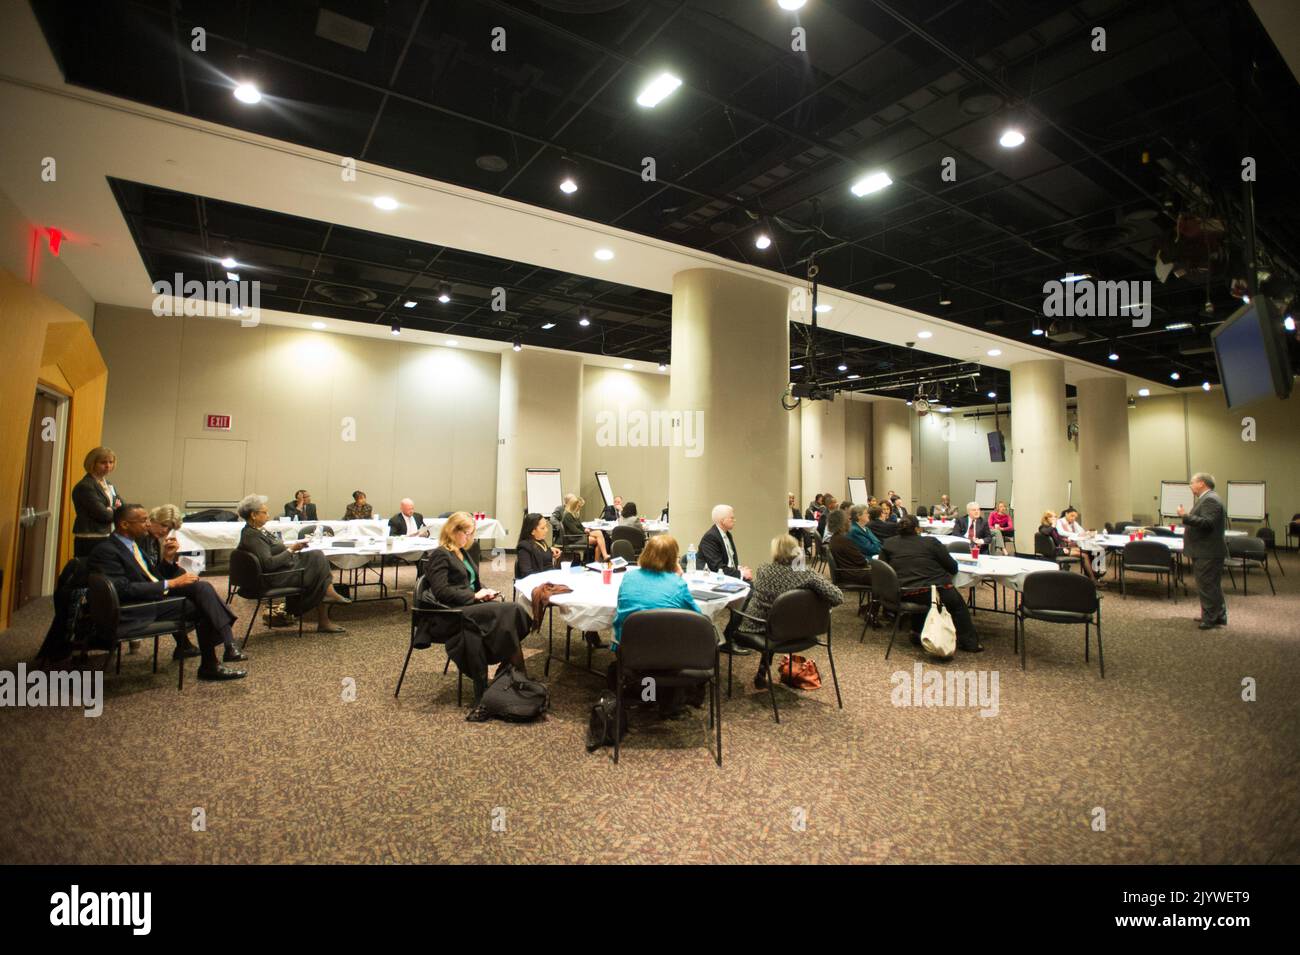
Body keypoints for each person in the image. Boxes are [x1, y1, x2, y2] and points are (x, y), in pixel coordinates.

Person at [89, 504, 247, 680]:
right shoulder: (107, 551)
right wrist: (171, 583)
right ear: (125, 525)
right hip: (135, 609)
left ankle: (227, 645)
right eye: (143, 521)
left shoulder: (132, 545)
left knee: (203, 588)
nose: (147, 524)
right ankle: (213, 662)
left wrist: (168, 559)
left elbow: (151, 576)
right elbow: (123, 590)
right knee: (204, 605)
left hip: (149, 598)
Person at [418, 512, 531, 703]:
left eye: (472, 534)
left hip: (469, 605)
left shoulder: (464, 552)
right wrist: (473, 596)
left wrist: (485, 591)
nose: (470, 538)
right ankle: (514, 672)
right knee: (511, 610)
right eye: (467, 533)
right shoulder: (440, 554)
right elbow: (441, 592)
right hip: (450, 611)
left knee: (513, 614)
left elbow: (472, 583)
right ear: (453, 531)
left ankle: (511, 672)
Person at [611, 534, 706, 718]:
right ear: (673, 559)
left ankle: (648, 697)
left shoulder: (628, 578)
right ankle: (668, 701)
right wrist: (678, 577)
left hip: (631, 650)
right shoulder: (677, 584)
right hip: (669, 653)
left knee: (648, 650)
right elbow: (698, 618)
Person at [738, 534, 844, 688]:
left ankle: (757, 668)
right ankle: (762, 672)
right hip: (801, 630)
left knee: (760, 612)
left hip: (764, 629)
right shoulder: (807, 574)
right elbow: (837, 597)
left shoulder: (764, 570)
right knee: (779, 618)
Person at [237, 494, 350, 632]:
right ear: (254, 515)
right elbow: (269, 564)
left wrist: (294, 550)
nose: (268, 515)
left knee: (316, 555)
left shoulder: (257, 531)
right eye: (264, 512)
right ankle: (326, 607)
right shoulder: (252, 536)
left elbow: (273, 552)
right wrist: (291, 550)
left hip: (282, 568)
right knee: (319, 571)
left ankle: (327, 599)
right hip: (271, 578)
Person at [881, 516, 981, 653]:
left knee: (925, 594)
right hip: (931, 590)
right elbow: (952, 567)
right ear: (917, 529)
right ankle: (969, 642)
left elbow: (884, 569)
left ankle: (917, 632)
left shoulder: (888, 544)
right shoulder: (930, 542)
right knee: (957, 605)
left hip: (901, 592)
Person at [140, 504, 203, 660]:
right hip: (145, 592)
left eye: (168, 529)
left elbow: (157, 573)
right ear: (152, 519)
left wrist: (168, 558)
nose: (164, 532)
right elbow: (151, 577)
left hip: (154, 586)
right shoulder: (142, 540)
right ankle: (189, 644)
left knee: (197, 588)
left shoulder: (153, 540)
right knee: (197, 596)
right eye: (163, 526)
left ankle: (185, 644)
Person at [1179, 472, 1228, 630]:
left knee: (1207, 585)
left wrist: (1185, 517)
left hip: (1207, 551)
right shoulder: (1208, 499)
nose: (1190, 486)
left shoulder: (1210, 499)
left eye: (1192, 483)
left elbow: (1207, 523)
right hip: (1206, 550)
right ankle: (1218, 615)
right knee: (1212, 585)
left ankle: (1210, 618)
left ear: (1201, 483)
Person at [72, 446, 123, 559]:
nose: (108, 466)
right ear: (92, 463)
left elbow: (122, 508)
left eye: (111, 462)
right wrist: (114, 508)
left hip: (107, 535)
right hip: (90, 538)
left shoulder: (108, 484)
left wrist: (112, 508)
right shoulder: (86, 486)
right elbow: (103, 515)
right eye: (103, 462)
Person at [699, 504, 752, 581]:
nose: (734, 520)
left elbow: (728, 561)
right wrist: (741, 573)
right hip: (716, 580)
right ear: (722, 520)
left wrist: (738, 568)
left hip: (728, 577)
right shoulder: (710, 537)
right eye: (732, 518)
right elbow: (717, 567)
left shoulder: (727, 534)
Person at [827, 509, 872, 585]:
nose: (850, 522)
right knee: (885, 575)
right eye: (848, 520)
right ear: (842, 523)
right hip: (853, 575)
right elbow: (861, 561)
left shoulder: (834, 538)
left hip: (846, 572)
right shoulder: (844, 540)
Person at [561, 495, 608, 561]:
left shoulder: (574, 514)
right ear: (573, 505)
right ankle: (598, 560)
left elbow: (580, 526)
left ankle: (603, 556)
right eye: (578, 506)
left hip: (579, 535)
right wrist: (586, 533)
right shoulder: (567, 516)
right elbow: (574, 531)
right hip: (574, 538)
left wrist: (585, 529)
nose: (579, 508)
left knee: (599, 532)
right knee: (599, 541)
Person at [515, 512, 560, 578]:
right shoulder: (524, 548)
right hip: (539, 584)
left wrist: (550, 550)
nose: (546, 530)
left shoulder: (540, 541)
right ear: (532, 531)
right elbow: (527, 574)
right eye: (543, 528)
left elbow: (539, 551)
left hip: (549, 578)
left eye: (546, 527)